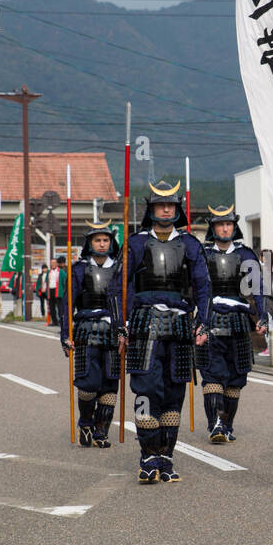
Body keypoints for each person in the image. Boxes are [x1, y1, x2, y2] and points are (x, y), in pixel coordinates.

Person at [114, 181, 211, 484]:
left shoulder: (191, 245)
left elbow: (204, 287)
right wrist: (121, 325)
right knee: (145, 391)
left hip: (180, 327)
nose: (166, 209)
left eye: (171, 205)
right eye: (160, 205)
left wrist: (203, 321)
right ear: (152, 209)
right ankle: (147, 456)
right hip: (144, 326)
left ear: (178, 209)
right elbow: (118, 288)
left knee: (173, 395)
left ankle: (166, 458)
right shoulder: (135, 243)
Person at [199, 205, 266, 444]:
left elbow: (258, 290)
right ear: (213, 228)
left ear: (234, 227)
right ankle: (214, 424)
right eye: (220, 224)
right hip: (211, 318)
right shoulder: (203, 255)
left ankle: (226, 424)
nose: (225, 228)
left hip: (239, 321)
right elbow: (194, 289)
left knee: (235, 379)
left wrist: (263, 317)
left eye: (228, 224)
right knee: (212, 375)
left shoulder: (247, 255)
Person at [63, 224, 121, 448]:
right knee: (88, 383)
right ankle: (86, 422)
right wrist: (65, 335)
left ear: (111, 243)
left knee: (110, 384)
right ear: (90, 243)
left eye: (105, 240)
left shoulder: (118, 269)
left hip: (113, 331)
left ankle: (101, 431)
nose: (102, 244)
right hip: (86, 330)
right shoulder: (79, 270)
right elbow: (68, 304)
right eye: (97, 240)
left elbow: (127, 301)